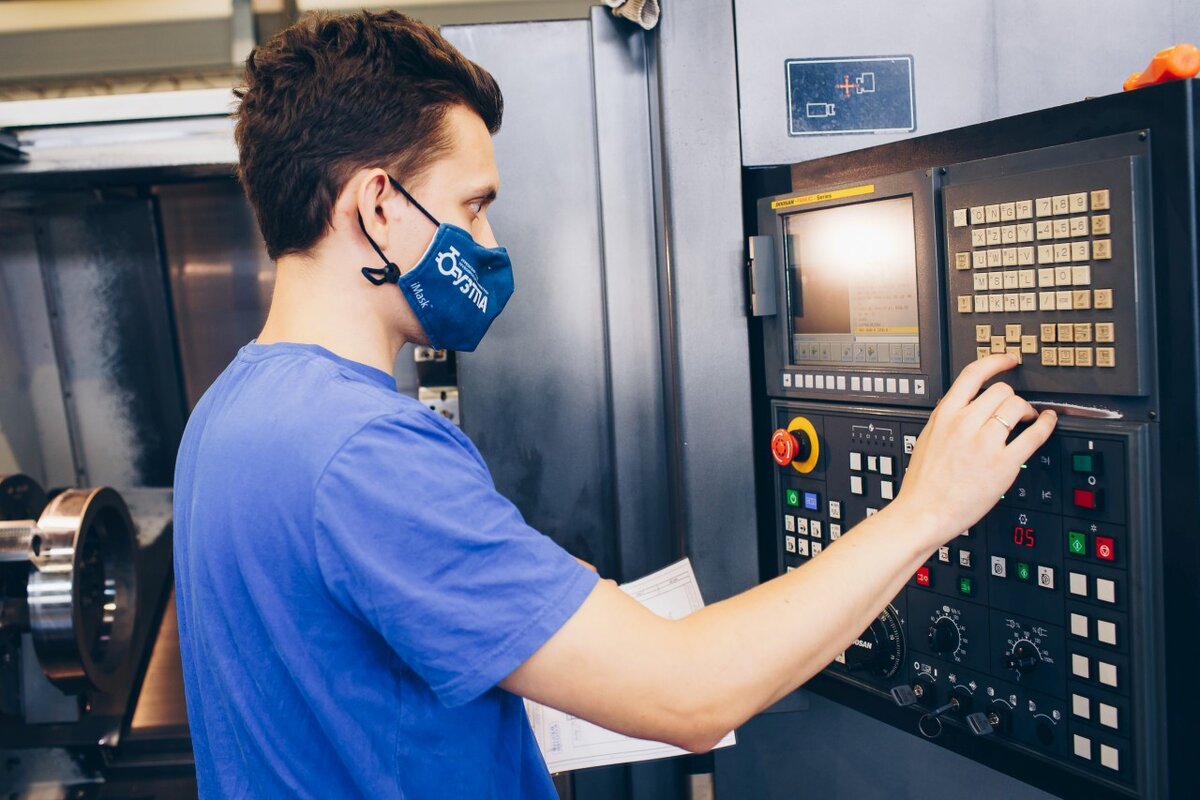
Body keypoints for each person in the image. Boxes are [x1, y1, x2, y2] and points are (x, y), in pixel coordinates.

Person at [172, 9, 1058, 799]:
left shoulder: (227, 417)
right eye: (472, 209)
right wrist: (924, 511)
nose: (488, 243)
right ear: (377, 206)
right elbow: (692, 695)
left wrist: (533, 609)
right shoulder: (366, 451)